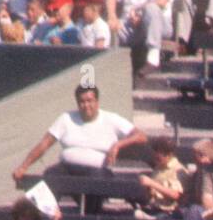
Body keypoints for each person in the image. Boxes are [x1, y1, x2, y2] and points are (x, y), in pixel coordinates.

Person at [12, 84, 147, 210]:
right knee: (49, 176)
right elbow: (45, 143)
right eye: (82, 102)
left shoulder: (111, 119)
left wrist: (118, 144)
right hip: (67, 168)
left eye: (90, 101)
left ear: (97, 102)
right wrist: (24, 166)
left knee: (97, 183)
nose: (86, 105)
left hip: (97, 170)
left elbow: (141, 136)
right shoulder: (66, 118)